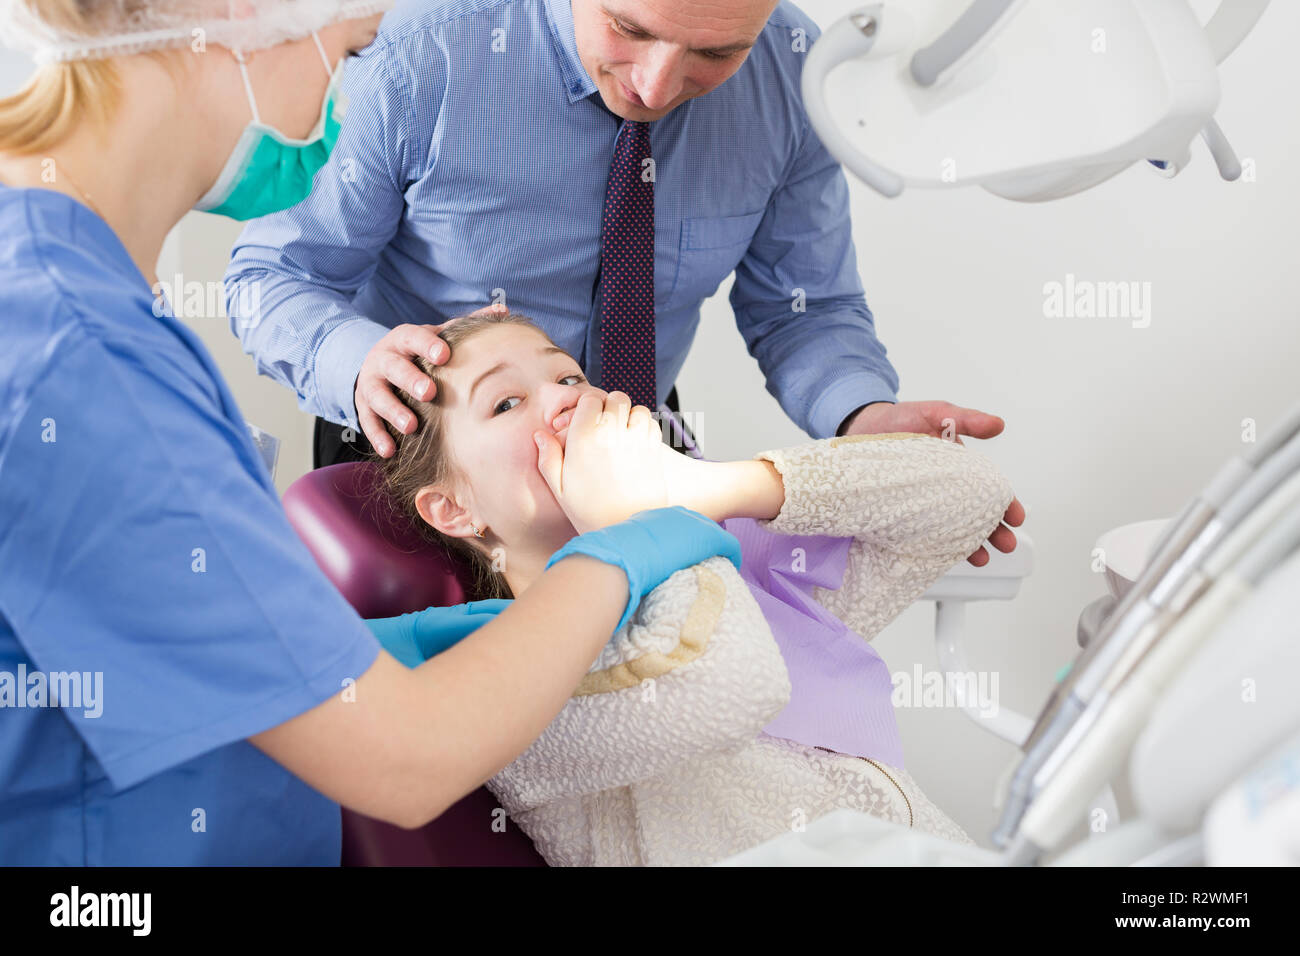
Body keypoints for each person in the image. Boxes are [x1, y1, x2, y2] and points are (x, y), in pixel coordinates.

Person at [0, 0, 739, 865]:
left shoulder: (62, 294)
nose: (346, 105)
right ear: (241, 19)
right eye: (353, 50)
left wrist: (391, 647)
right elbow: (404, 760)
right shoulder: (81, 355)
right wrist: (628, 547)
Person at [221, 0, 1027, 537]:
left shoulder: (795, 73)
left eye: (714, 52)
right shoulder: (416, 55)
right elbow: (273, 274)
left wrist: (863, 420)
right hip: (426, 459)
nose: (655, 85)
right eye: (631, 29)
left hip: (637, 444)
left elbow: (802, 309)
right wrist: (356, 362)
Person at [361, 309, 1023, 864]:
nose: (567, 398)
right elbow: (737, 683)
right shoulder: (519, 678)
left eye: (569, 375)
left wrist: (699, 488)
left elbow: (972, 493)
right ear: (454, 510)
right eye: (507, 403)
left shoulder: (734, 569)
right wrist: (641, 523)